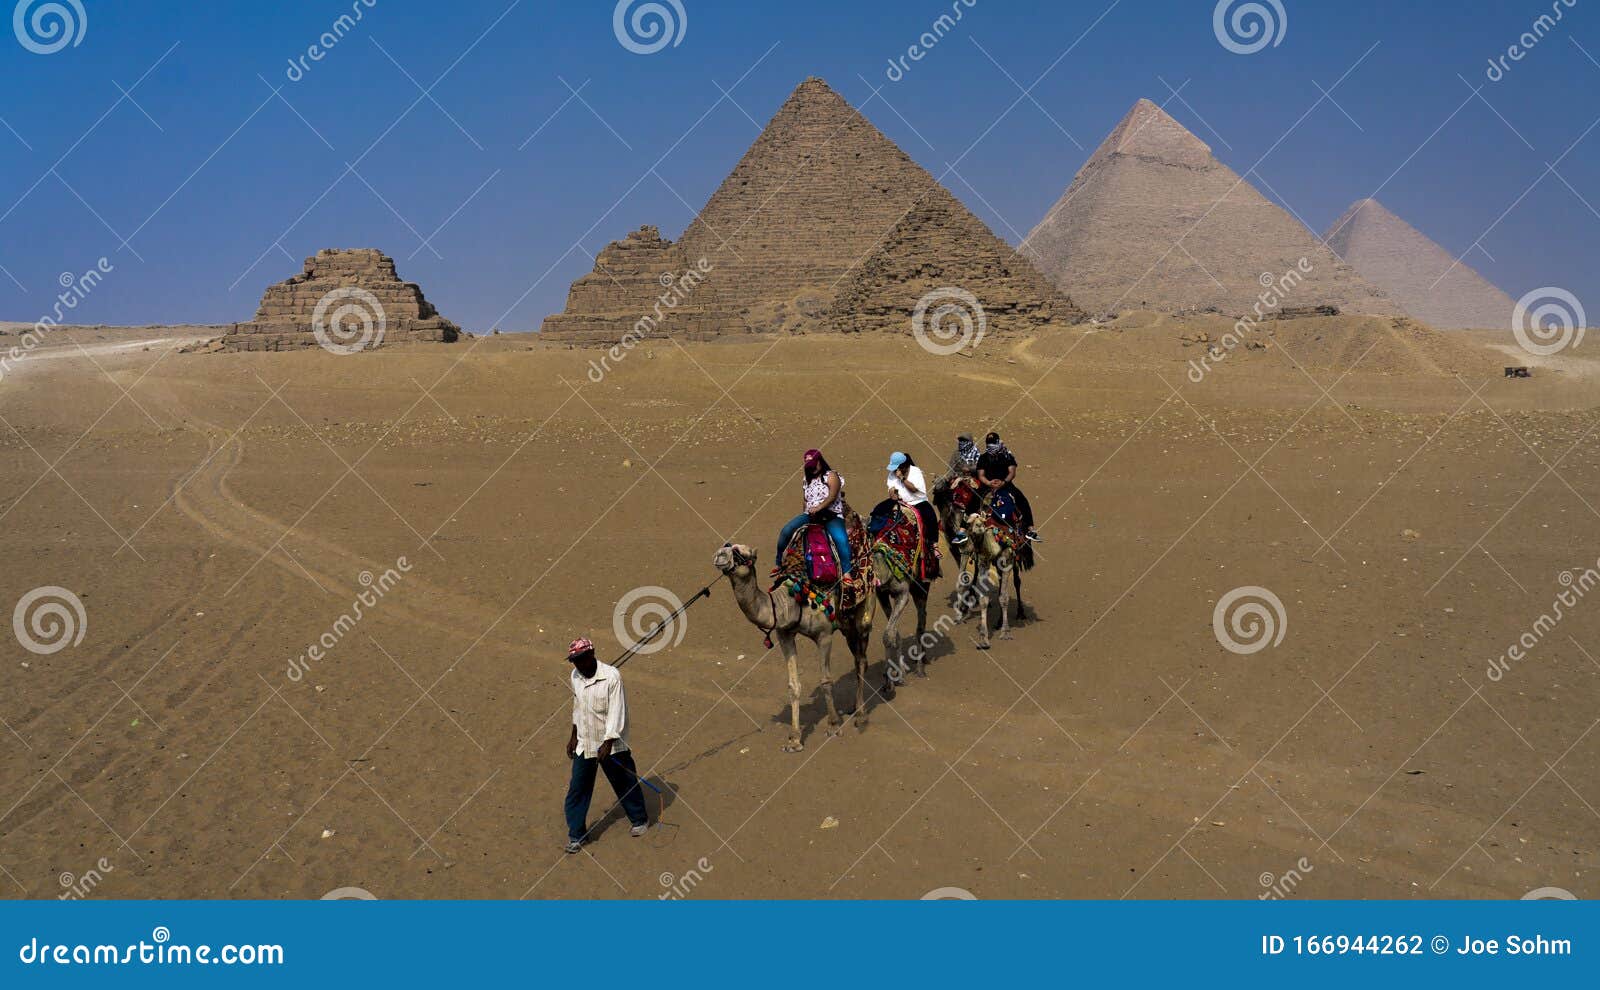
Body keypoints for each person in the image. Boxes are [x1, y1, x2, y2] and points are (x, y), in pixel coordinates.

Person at [563, 637, 649, 853]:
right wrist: (573, 735)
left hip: (611, 742)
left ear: (592, 655)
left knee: (624, 782)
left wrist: (608, 742)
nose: (578, 665)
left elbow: (617, 712)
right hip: (585, 741)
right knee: (578, 788)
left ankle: (639, 819)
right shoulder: (575, 676)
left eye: (581, 659)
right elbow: (577, 706)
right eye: (574, 660)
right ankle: (577, 835)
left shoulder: (611, 677)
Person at [776, 448, 852, 577]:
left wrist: (819, 507)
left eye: (814, 465)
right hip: (810, 515)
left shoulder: (831, 475)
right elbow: (805, 500)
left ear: (820, 461)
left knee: (841, 538)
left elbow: (832, 496)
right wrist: (806, 512)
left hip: (831, 514)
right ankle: (778, 563)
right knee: (786, 530)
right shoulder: (807, 480)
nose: (813, 469)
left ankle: (846, 572)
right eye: (809, 466)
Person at [975, 431, 1041, 542]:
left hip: (1005, 485)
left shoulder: (1006, 456)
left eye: (993, 443)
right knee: (974, 500)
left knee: (1022, 500)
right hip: (988, 486)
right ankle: (962, 531)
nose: (991, 446)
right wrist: (988, 483)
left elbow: (1012, 472)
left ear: (998, 442)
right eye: (988, 444)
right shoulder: (983, 458)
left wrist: (1003, 482)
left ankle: (1030, 529)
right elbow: (980, 474)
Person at [884, 451, 939, 574]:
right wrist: (893, 493)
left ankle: (934, 546)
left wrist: (902, 479)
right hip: (901, 503)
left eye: (897, 468)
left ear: (903, 466)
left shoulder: (915, 471)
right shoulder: (892, 475)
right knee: (880, 512)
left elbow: (914, 490)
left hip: (918, 501)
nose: (894, 471)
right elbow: (892, 493)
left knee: (930, 516)